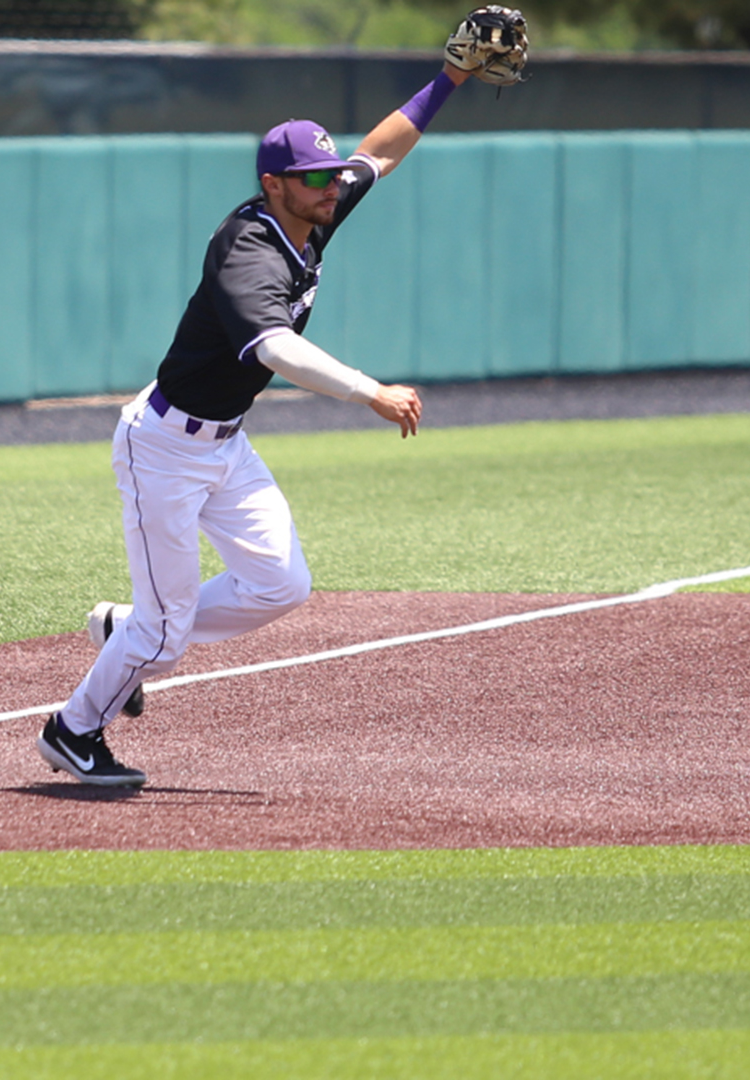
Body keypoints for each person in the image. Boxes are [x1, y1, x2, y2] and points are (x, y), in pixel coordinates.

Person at [35, 54, 477, 786]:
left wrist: (451, 80)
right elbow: (276, 347)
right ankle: (73, 730)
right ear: (273, 184)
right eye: (314, 177)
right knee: (167, 629)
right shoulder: (247, 249)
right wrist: (370, 391)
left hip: (226, 443)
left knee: (279, 584)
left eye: (330, 174)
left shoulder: (314, 212)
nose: (332, 185)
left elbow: (381, 151)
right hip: (165, 451)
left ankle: (130, 632)